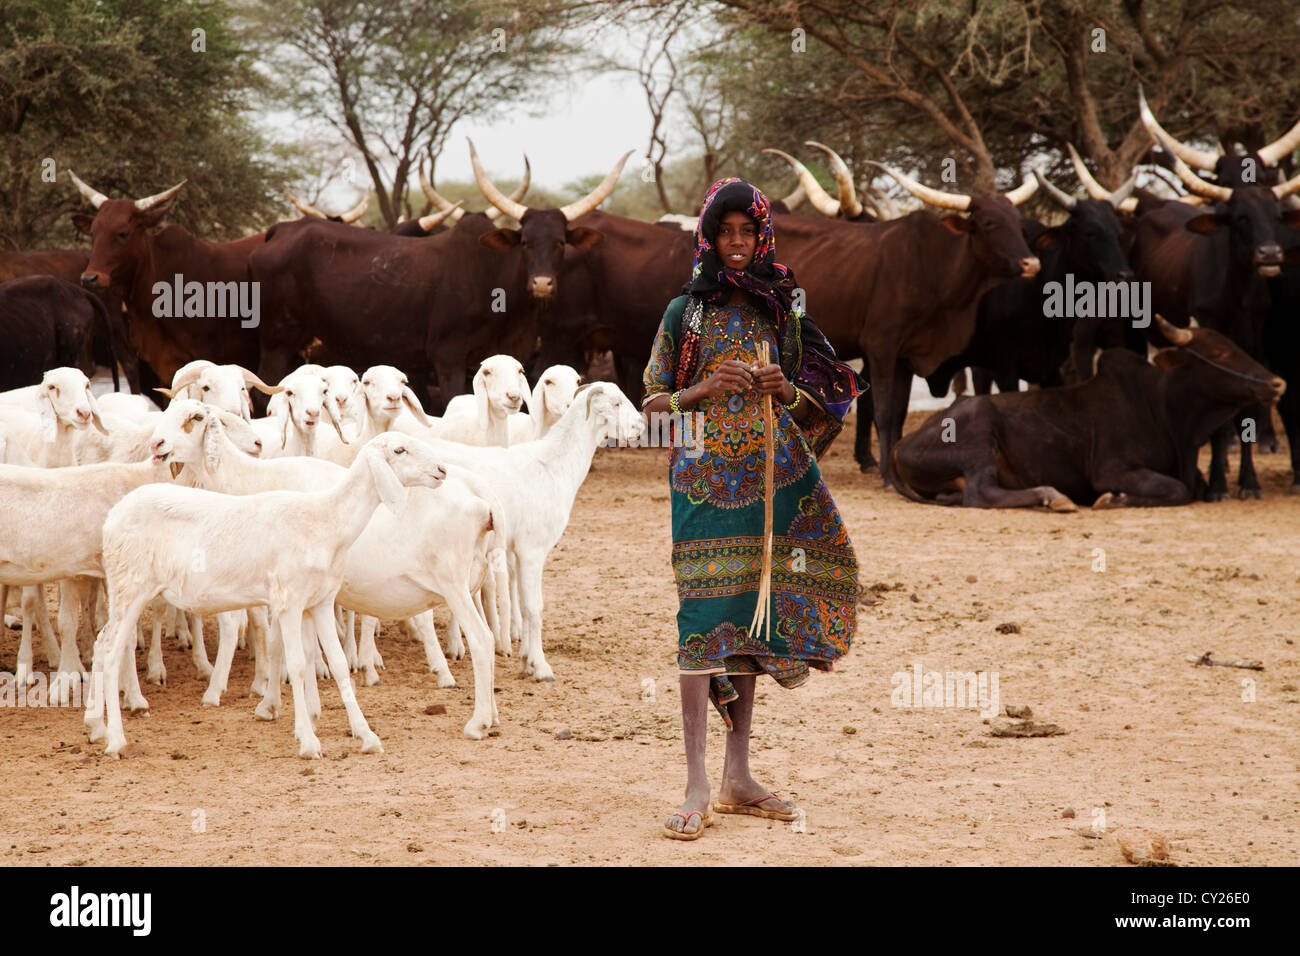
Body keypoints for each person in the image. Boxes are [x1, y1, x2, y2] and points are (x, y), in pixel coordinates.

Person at [642, 177, 863, 840]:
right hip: (703, 493)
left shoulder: (784, 310)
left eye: (747, 232)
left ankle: (739, 778)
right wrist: (703, 388)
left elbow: (829, 401)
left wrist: (786, 390)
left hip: (767, 493)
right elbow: (652, 414)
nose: (737, 245)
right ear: (708, 237)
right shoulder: (686, 313)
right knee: (701, 625)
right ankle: (696, 785)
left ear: (761, 234)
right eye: (725, 233)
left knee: (747, 627)